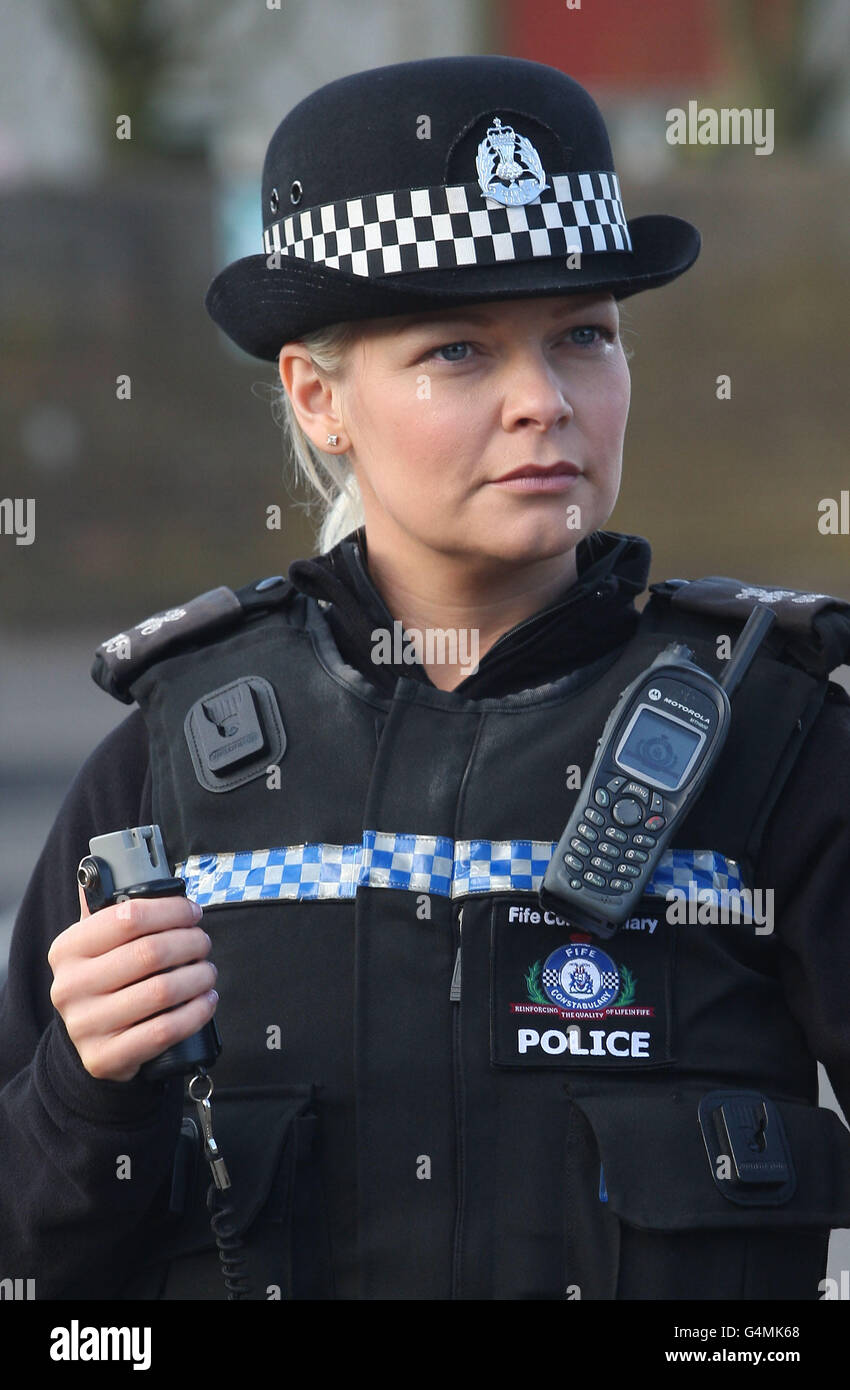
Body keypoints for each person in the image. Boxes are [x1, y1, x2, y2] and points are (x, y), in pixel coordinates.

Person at [2, 54, 850, 1303]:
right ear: (317, 396)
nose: (544, 403)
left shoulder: (775, 736)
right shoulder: (169, 758)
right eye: (458, 350)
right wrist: (88, 1088)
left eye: (584, 337)